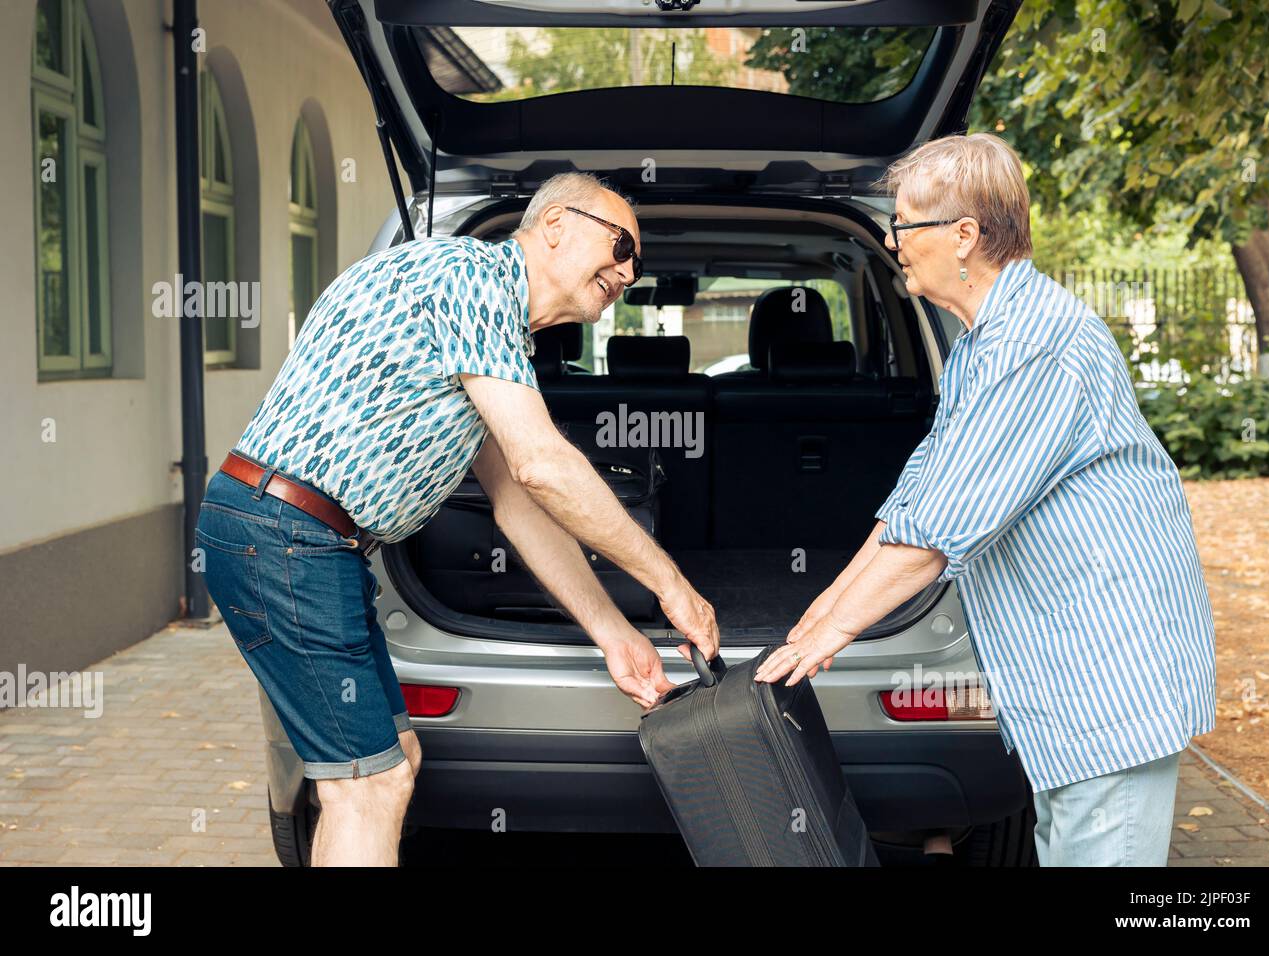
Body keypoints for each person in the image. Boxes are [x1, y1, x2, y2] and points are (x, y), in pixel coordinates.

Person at [196, 171, 719, 865]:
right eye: (621, 244)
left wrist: (613, 632)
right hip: (285, 536)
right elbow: (543, 465)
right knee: (369, 787)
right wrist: (671, 586)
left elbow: (520, 502)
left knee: (390, 763)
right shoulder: (469, 279)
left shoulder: (492, 330)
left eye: (636, 260)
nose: (629, 270)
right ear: (556, 224)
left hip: (308, 542)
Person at [754, 133, 1216, 867]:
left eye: (903, 224)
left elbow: (937, 533)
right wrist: (817, 614)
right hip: (1069, 680)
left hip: (1111, 674)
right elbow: (919, 494)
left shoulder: (1035, 346)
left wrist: (822, 641)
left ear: (963, 234)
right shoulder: (983, 342)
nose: (892, 241)